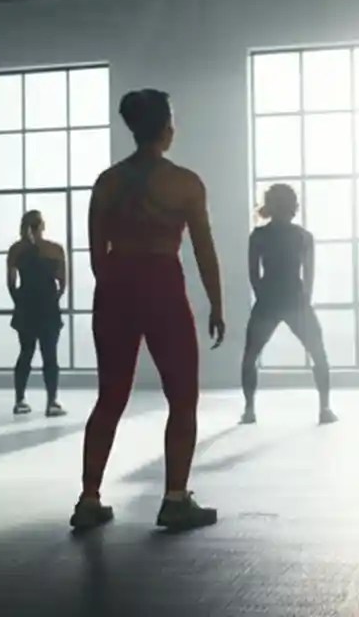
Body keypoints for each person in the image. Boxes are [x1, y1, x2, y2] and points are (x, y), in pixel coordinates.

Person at [71, 89, 225, 532]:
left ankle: (88, 498)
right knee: (182, 396)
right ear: (166, 128)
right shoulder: (185, 183)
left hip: (116, 284)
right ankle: (175, 498)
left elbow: (96, 253)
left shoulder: (107, 182)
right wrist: (216, 302)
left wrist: (115, 288)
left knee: (111, 394)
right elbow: (203, 250)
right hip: (162, 283)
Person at [240, 184, 336, 426]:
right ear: (293, 207)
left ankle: (249, 409)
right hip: (294, 299)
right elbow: (309, 275)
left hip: (272, 299)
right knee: (318, 353)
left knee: (251, 356)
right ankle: (324, 408)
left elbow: (253, 275)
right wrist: (304, 300)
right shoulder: (303, 236)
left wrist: (263, 295)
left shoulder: (259, 236)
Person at [7, 211, 67, 417]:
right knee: (50, 355)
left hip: (26, 306)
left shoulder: (16, 250)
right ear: (42, 226)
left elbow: (11, 283)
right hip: (48, 306)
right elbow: (62, 282)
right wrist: (53, 298)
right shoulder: (55, 249)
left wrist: (20, 301)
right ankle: (52, 402)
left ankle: (20, 400)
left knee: (25, 353)